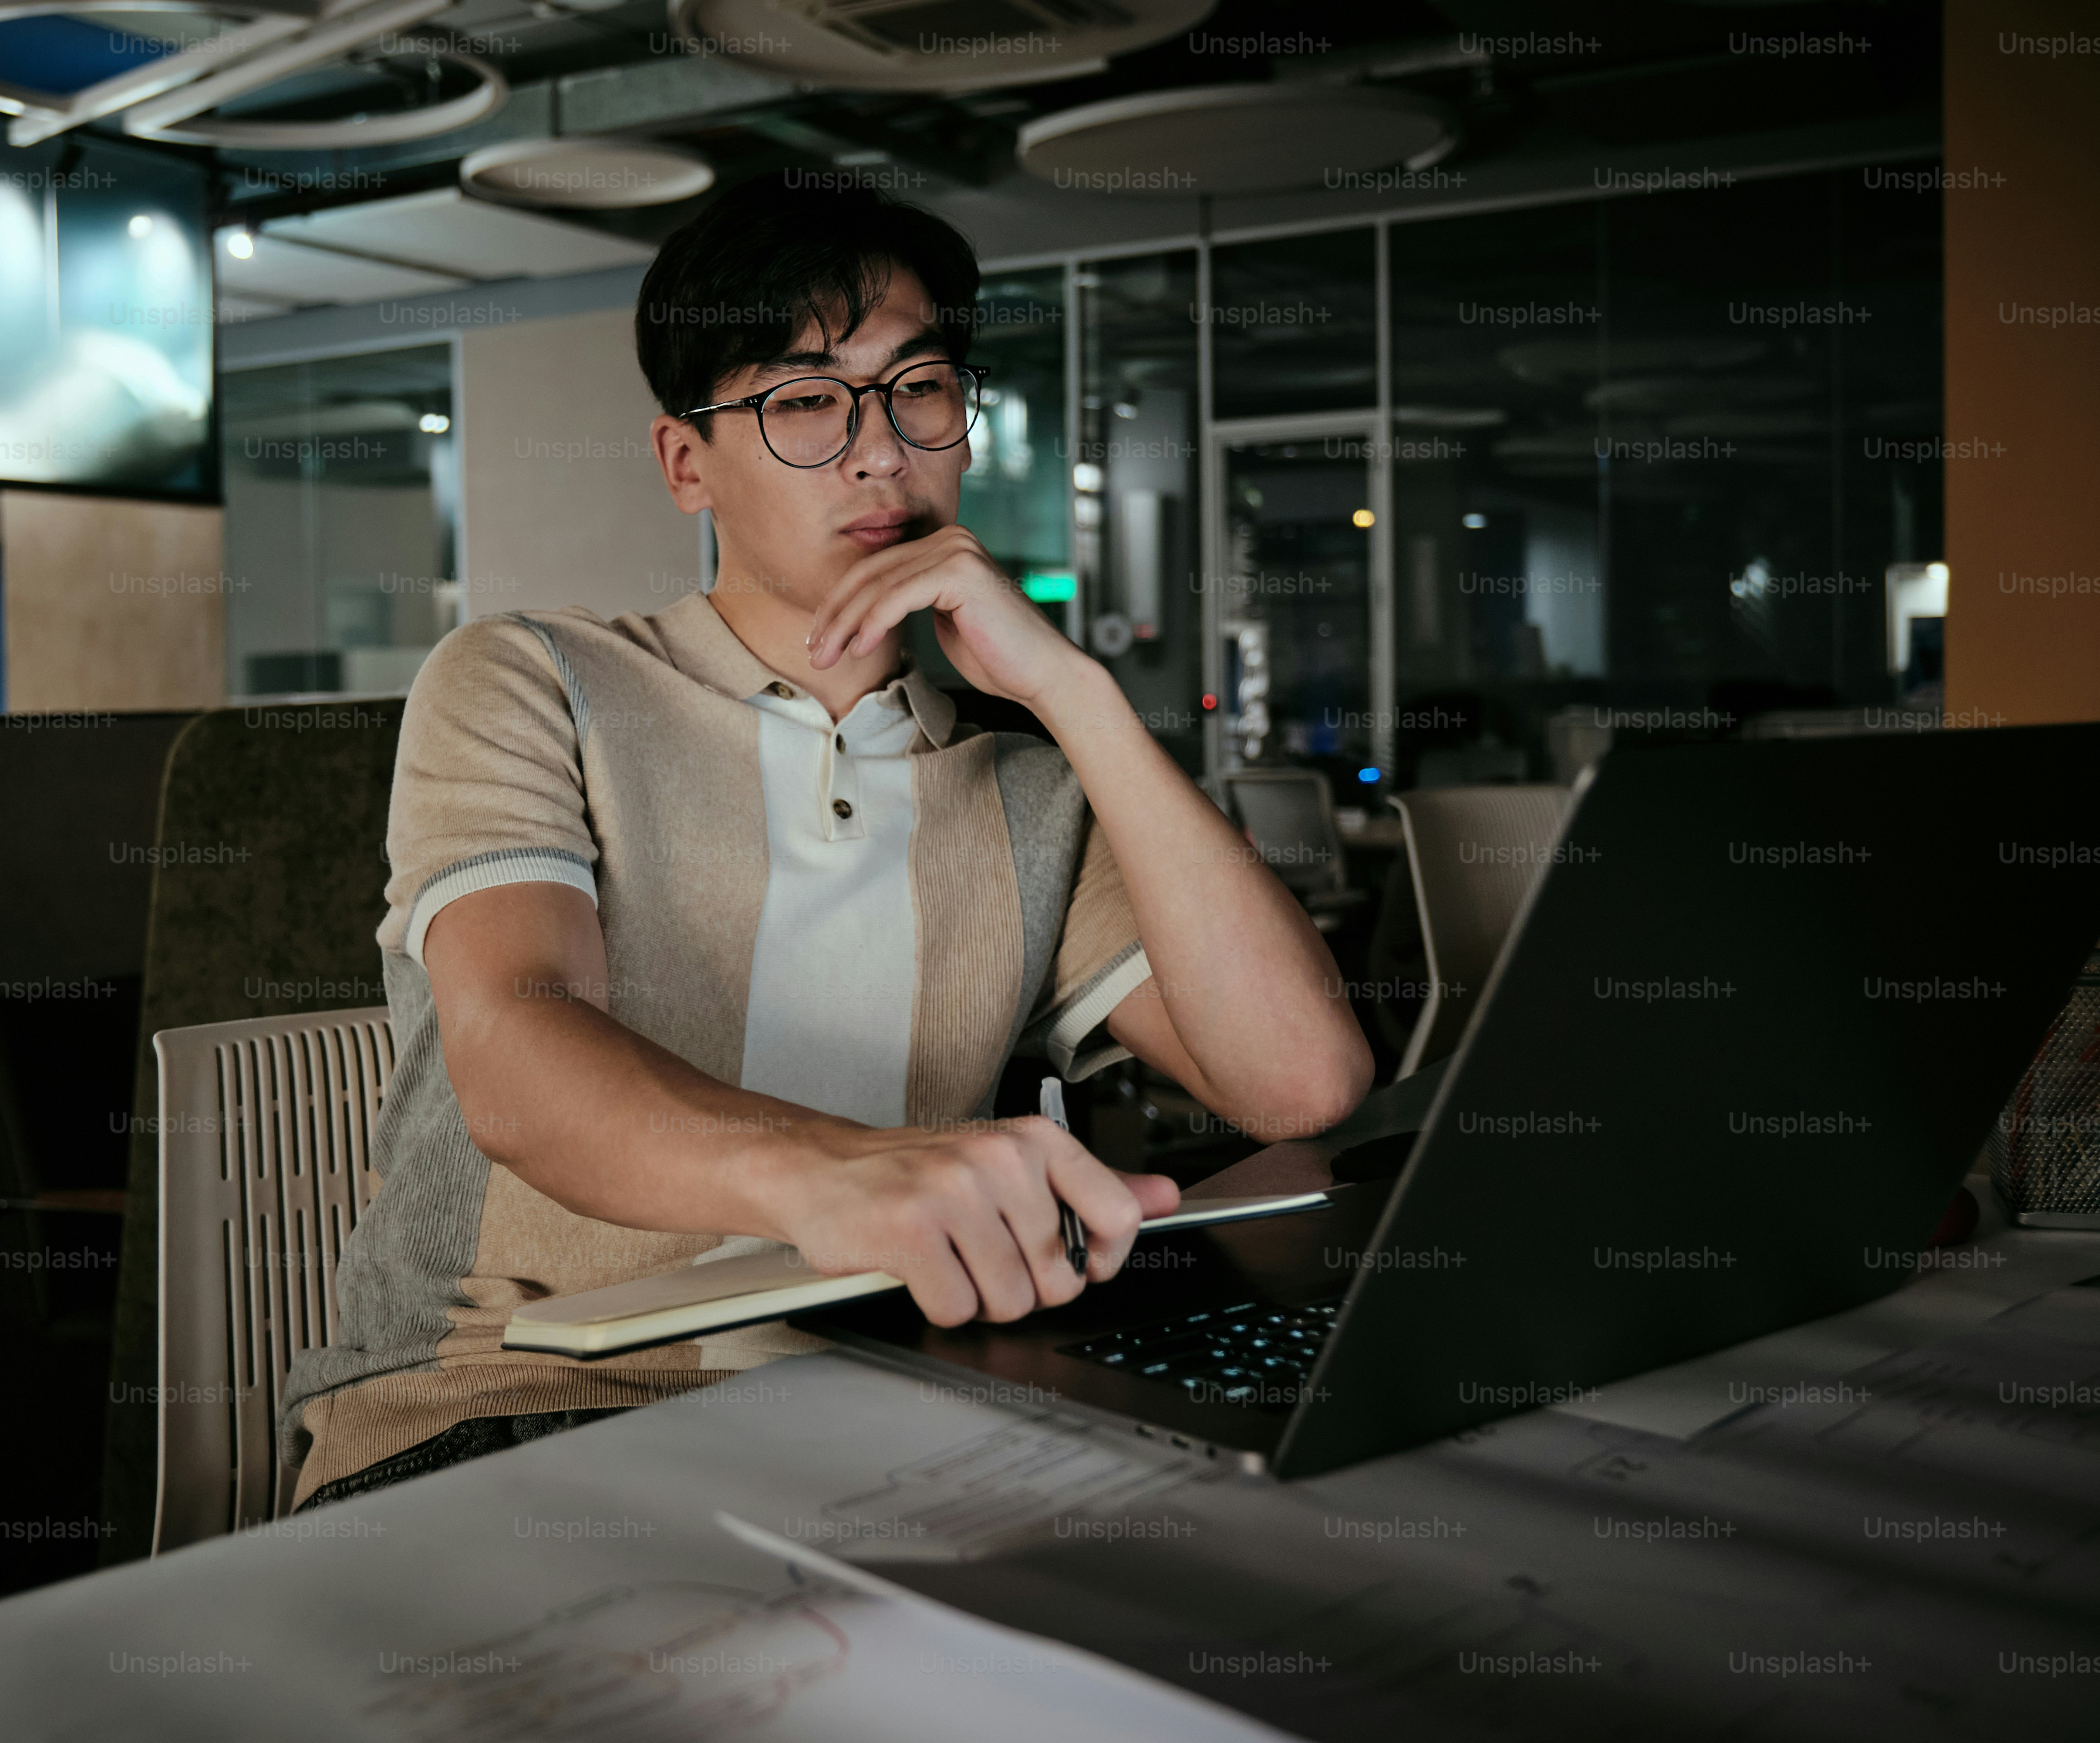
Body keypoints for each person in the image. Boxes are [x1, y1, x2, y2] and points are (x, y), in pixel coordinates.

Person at [280, 173, 1372, 1508]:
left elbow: (1301, 1083)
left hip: (892, 1400)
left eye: (921, 390)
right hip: (514, 1404)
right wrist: (846, 1177)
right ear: (687, 463)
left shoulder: (1027, 781)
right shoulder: (532, 679)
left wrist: (1074, 692)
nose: (881, 453)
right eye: (805, 400)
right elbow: (518, 1050)